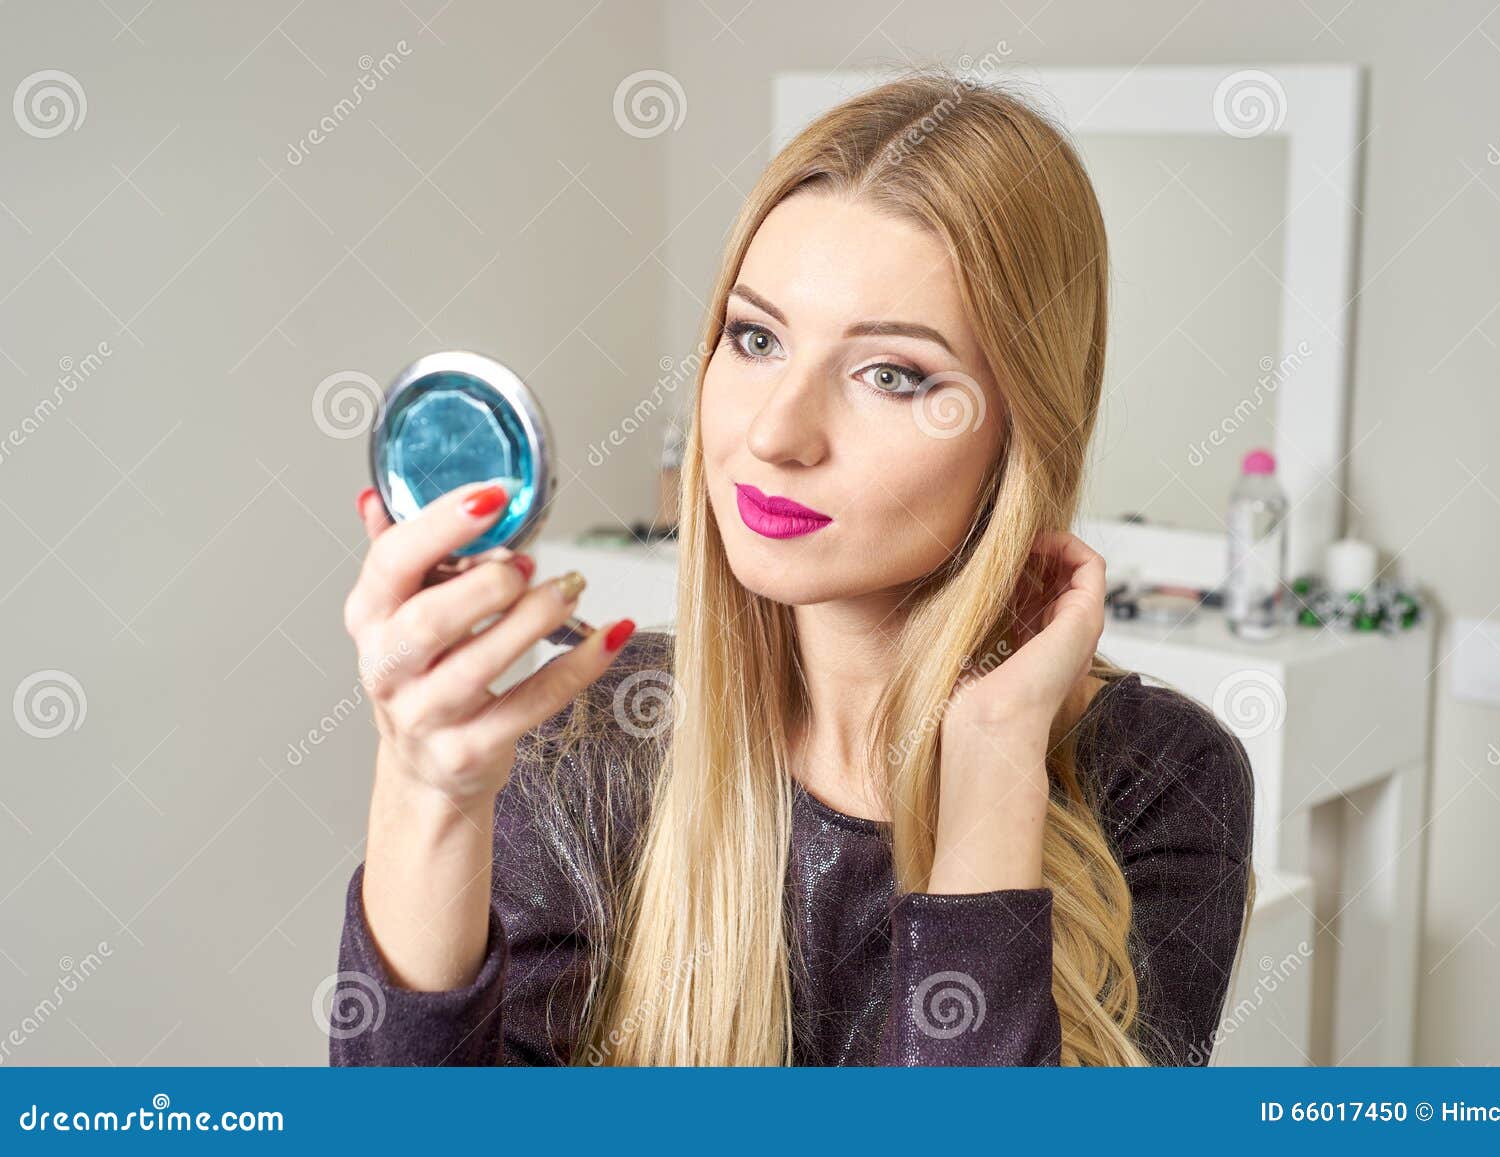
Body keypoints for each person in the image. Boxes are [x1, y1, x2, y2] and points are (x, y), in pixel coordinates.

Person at [329, 69, 1254, 1067]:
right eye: (755, 337)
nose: (774, 433)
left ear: (1021, 431)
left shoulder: (1162, 781)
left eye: (891, 373)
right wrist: (426, 785)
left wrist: (993, 760)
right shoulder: (592, 744)